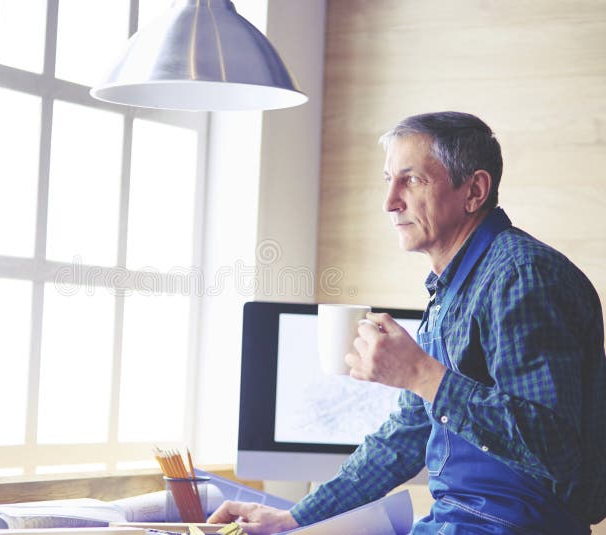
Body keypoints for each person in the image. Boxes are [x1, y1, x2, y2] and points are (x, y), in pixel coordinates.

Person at [208, 112, 606, 534]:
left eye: (412, 180)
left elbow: (557, 447)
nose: (390, 202)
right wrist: (296, 517)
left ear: (474, 190)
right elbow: (406, 435)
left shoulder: (521, 277)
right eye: (388, 180)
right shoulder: (454, 287)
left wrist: (421, 374)